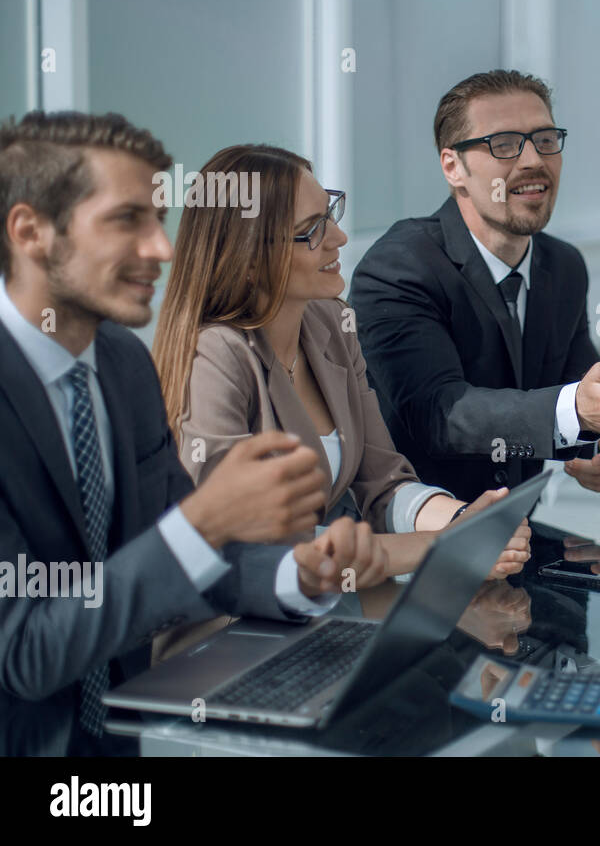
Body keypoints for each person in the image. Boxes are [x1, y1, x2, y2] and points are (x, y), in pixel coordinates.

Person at [0, 112, 380, 756]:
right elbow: (27, 654)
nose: (162, 248)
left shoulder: (120, 363)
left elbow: (189, 559)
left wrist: (300, 572)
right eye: (127, 220)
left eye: (158, 218)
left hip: (123, 743)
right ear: (31, 231)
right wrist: (203, 520)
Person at [151, 144, 531, 654]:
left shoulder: (330, 321)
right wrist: (440, 549)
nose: (339, 237)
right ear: (247, 258)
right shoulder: (215, 354)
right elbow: (240, 550)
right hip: (228, 639)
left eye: (328, 212)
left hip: (324, 622)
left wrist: (460, 521)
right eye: (310, 231)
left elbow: (381, 480)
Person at [349, 69, 600, 509]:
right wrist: (578, 412)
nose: (533, 160)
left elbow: (581, 389)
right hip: (417, 542)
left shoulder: (562, 266)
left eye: (545, 139)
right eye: (503, 144)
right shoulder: (398, 266)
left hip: (522, 534)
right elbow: (442, 413)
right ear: (454, 167)